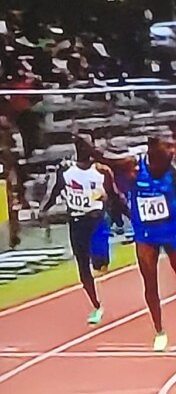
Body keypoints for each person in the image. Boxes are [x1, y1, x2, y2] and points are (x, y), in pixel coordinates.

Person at [105, 135, 176, 351]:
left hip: (171, 233)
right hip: (145, 236)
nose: (169, 161)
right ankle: (159, 330)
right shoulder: (133, 170)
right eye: (165, 158)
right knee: (150, 284)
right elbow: (106, 163)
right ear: (152, 159)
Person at [40, 133, 118, 325]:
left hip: (96, 220)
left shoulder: (102, 171)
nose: (85, 149)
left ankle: (101, 262)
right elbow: (56, 191)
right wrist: (44, 209)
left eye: (88, 145)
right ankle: (96, 305)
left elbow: (114, 196)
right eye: (81, 145)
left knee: (100, 263)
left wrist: (127, 215)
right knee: (83, 268)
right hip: (76, 222)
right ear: (76, 148)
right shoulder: (66, 172)